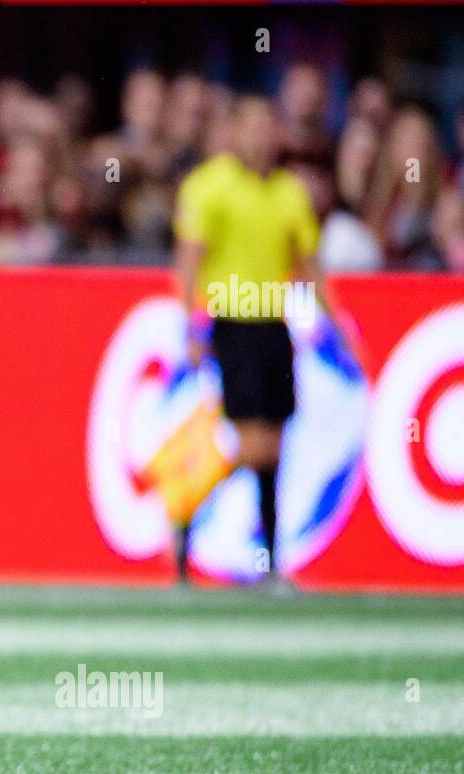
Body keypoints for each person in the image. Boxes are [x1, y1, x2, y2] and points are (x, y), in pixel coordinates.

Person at [172, 95, 325, 587]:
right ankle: (185, 504)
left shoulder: (290, 192)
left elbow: (306, 266)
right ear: (234, 133)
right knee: (254, 446)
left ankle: (273, 561)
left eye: (268, 126)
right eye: (251, 126)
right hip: (233, 324)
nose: (260, 136)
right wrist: (193, 326)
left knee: (275, 450)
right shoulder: (209, 186)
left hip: (274, 327)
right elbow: (189, 262)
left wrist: (333, 326)